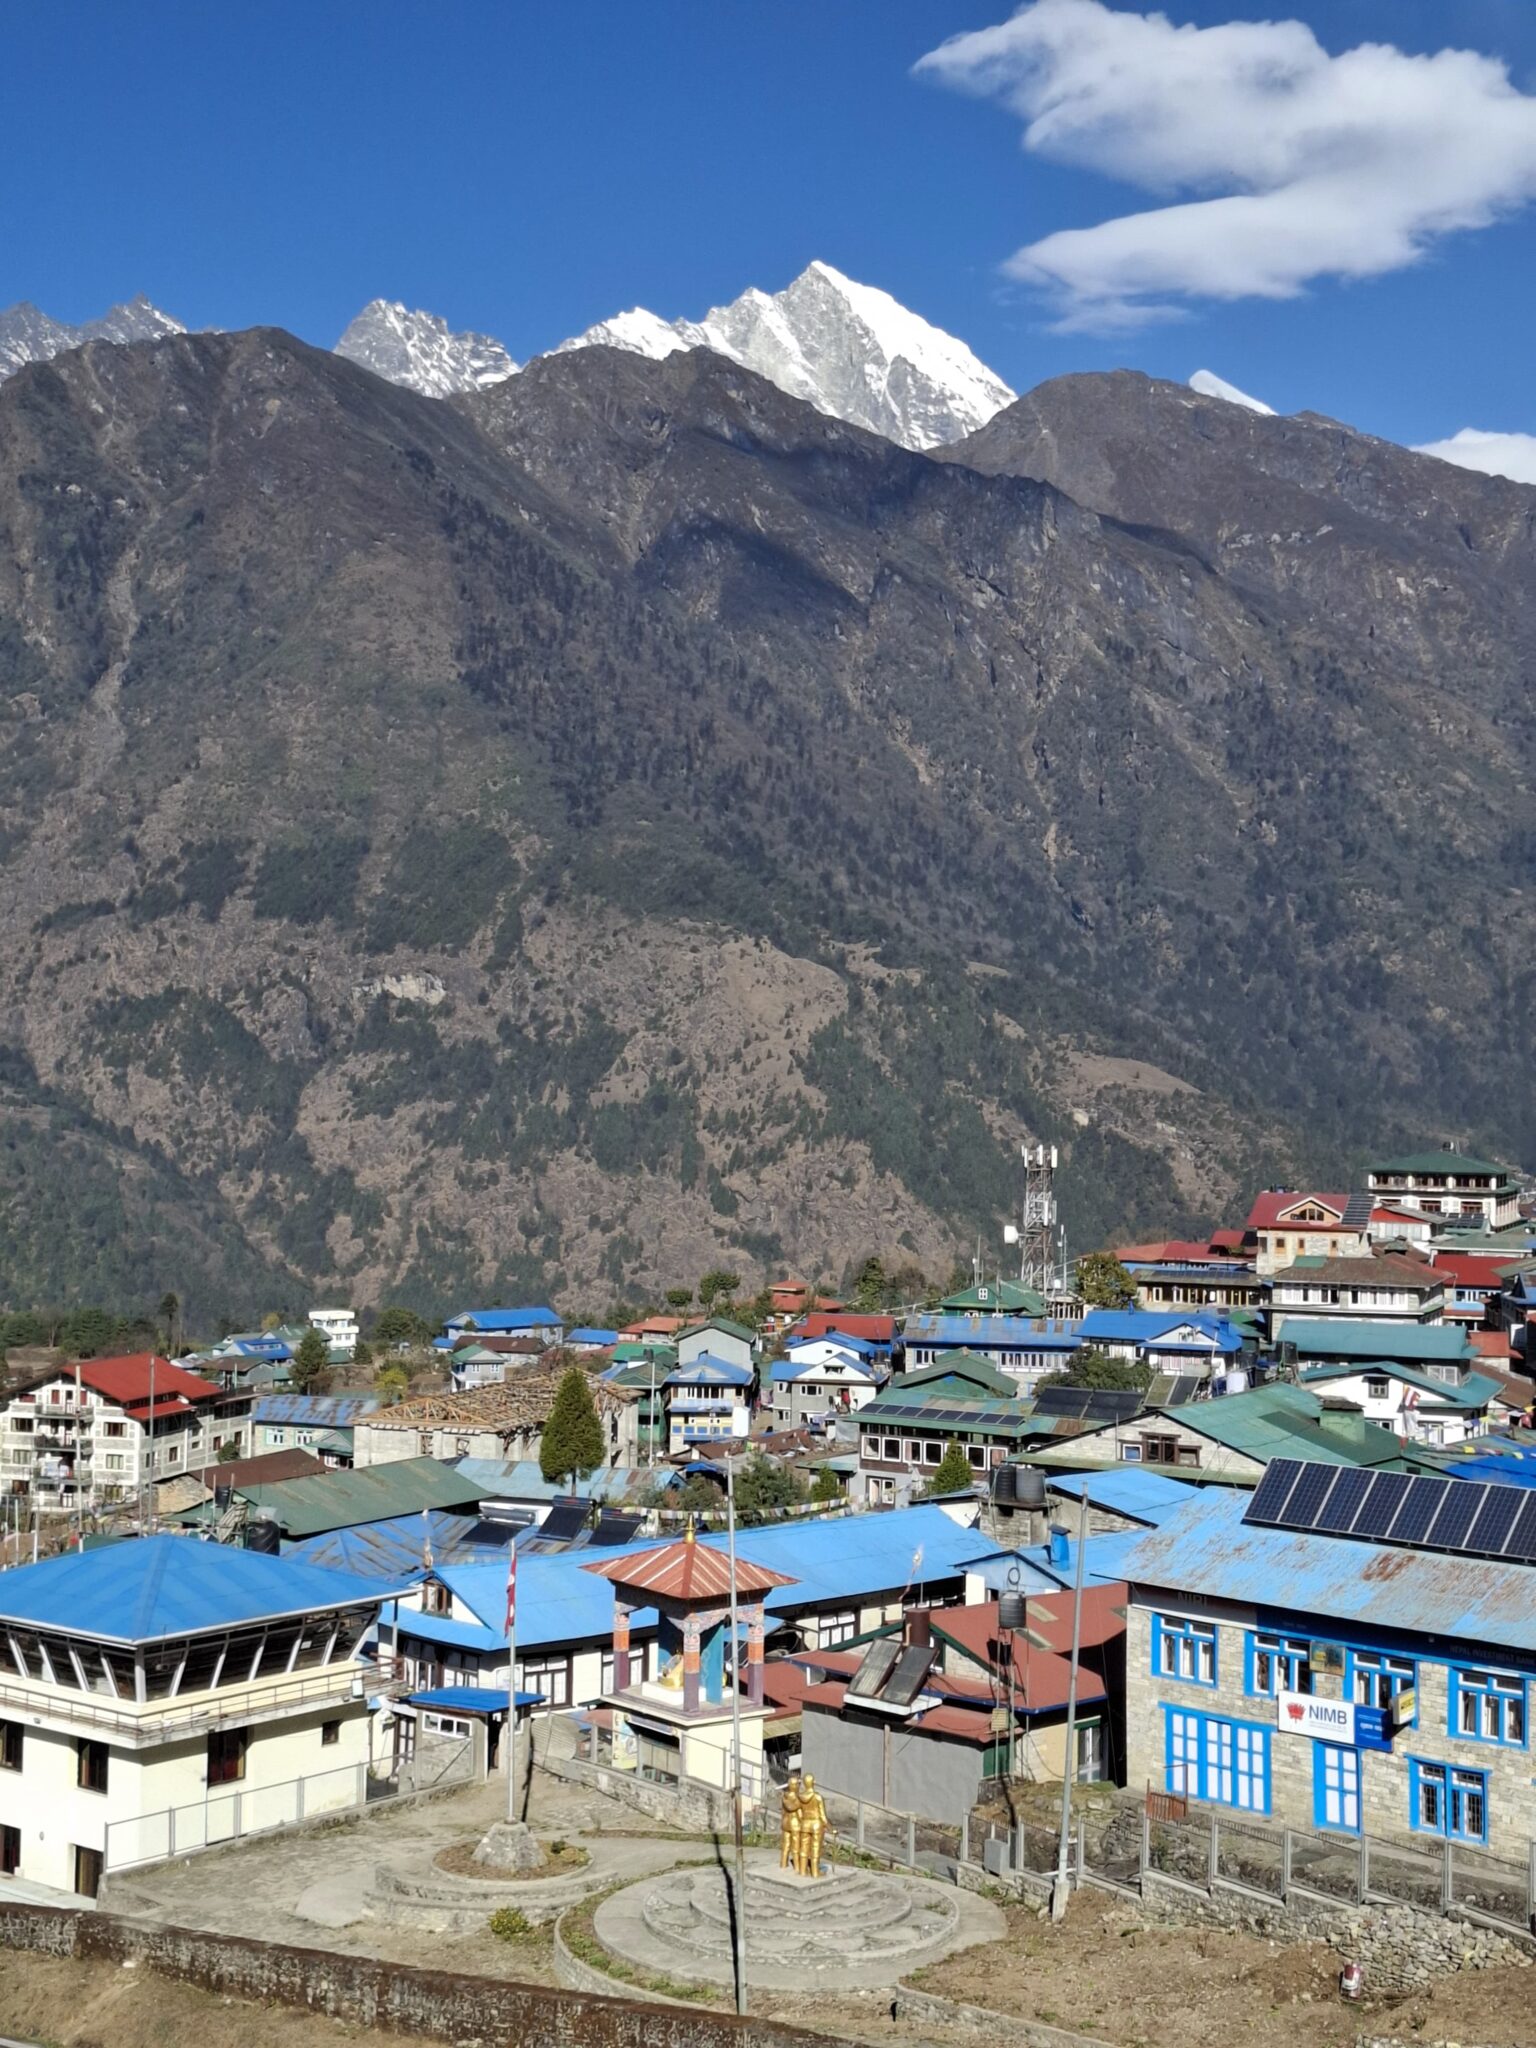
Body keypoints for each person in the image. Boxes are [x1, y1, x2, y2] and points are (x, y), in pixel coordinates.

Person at [797, 1772, 828, 1877]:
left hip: (805, 1824)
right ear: (813, 1783)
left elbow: (799, 1813)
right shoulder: (818, 1797)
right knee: (815, 1848)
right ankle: (815, 1872)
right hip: (816, 1824)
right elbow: (822, 1815)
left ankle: (802, 1871)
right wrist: (829, 1827)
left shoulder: (800, 1797)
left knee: (804, 1848)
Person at [779, 1776, 803, 1871]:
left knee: (786, 1845)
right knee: (796, 1847)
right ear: (792, 1785)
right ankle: (797, 1867)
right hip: (795, 1824)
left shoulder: (784, 1796)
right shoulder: (798, 1798)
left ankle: (783, 1863)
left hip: (785, 1823)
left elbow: (784, 1811)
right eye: (796, 1784)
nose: (798, 1785)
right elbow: (798, 1812)